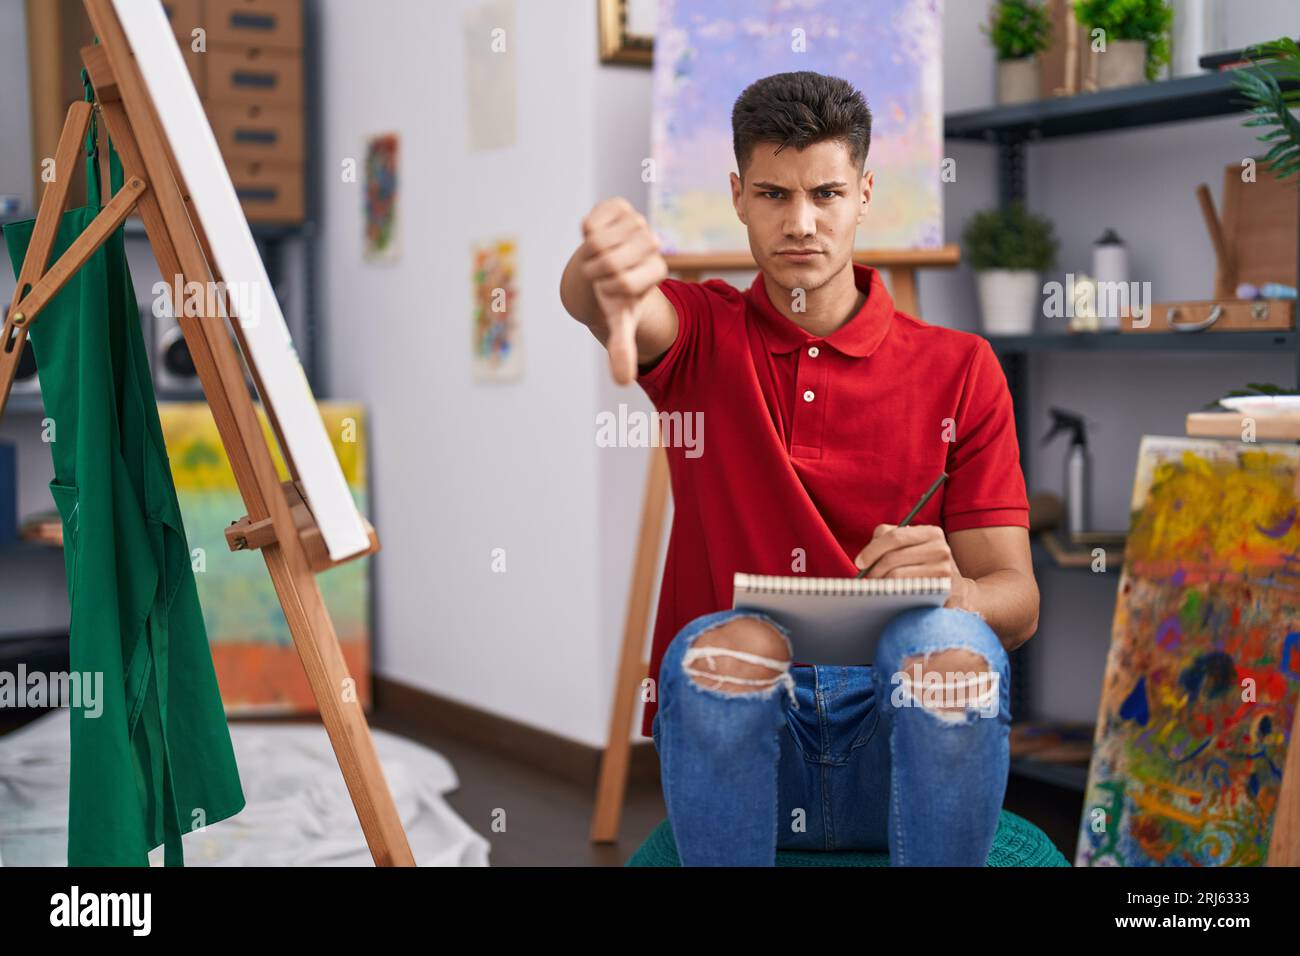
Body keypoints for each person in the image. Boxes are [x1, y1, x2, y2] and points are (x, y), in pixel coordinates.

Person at [559, 71, 1039, 866]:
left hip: (902, 754)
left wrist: (954, 590)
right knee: (730, 648)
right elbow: (612, 305)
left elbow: (1017, 605)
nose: (802, 222)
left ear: (864, 193)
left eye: (826, 193)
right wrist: (599, 271)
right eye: (775, 195)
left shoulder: (963, 367)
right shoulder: (703, 336)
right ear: (739, 195)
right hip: (745, 744)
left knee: (950, 643)